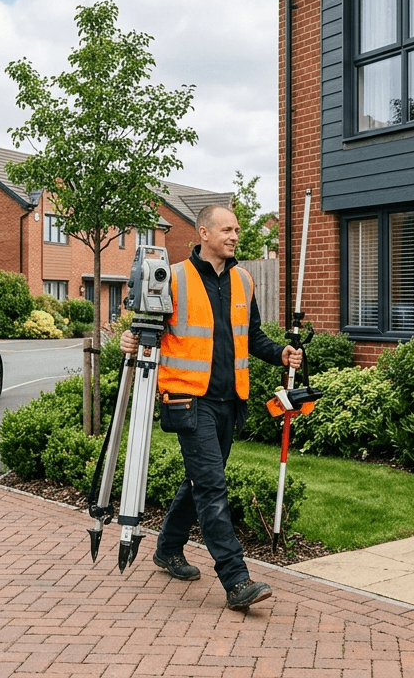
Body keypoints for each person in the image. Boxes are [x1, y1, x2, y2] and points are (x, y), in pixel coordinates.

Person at [119, 203, 302, 611]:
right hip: (187, 400)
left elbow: (251, 337)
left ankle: (167, 549)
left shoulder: (244, 280)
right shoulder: (176, 278)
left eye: (237, 229)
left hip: (229, 401)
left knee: (201, 480)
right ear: (204, 233)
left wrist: (281, 353)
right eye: (227, 230)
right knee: (213, 486)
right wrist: (128, 341)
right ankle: (236, 580)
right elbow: (143, 329)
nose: (235, 236)